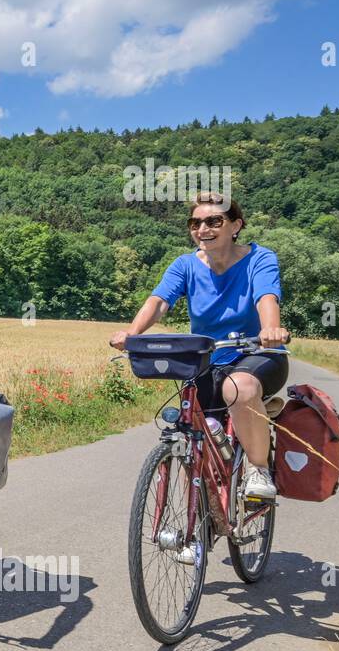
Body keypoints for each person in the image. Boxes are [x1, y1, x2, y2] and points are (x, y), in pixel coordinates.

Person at [111, 190, 289, 500]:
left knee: (240, 388)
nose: (202, 229)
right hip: (207, 360)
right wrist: (132, 334)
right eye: (195, 223)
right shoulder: (185, 265)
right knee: (193, 431)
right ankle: (202, 516)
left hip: (257, 354)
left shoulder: (260, 258)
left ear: (235, 226)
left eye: (213, 221)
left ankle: (258, 470)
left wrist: (270, 328)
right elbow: (159, 302)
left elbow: (265, 296)